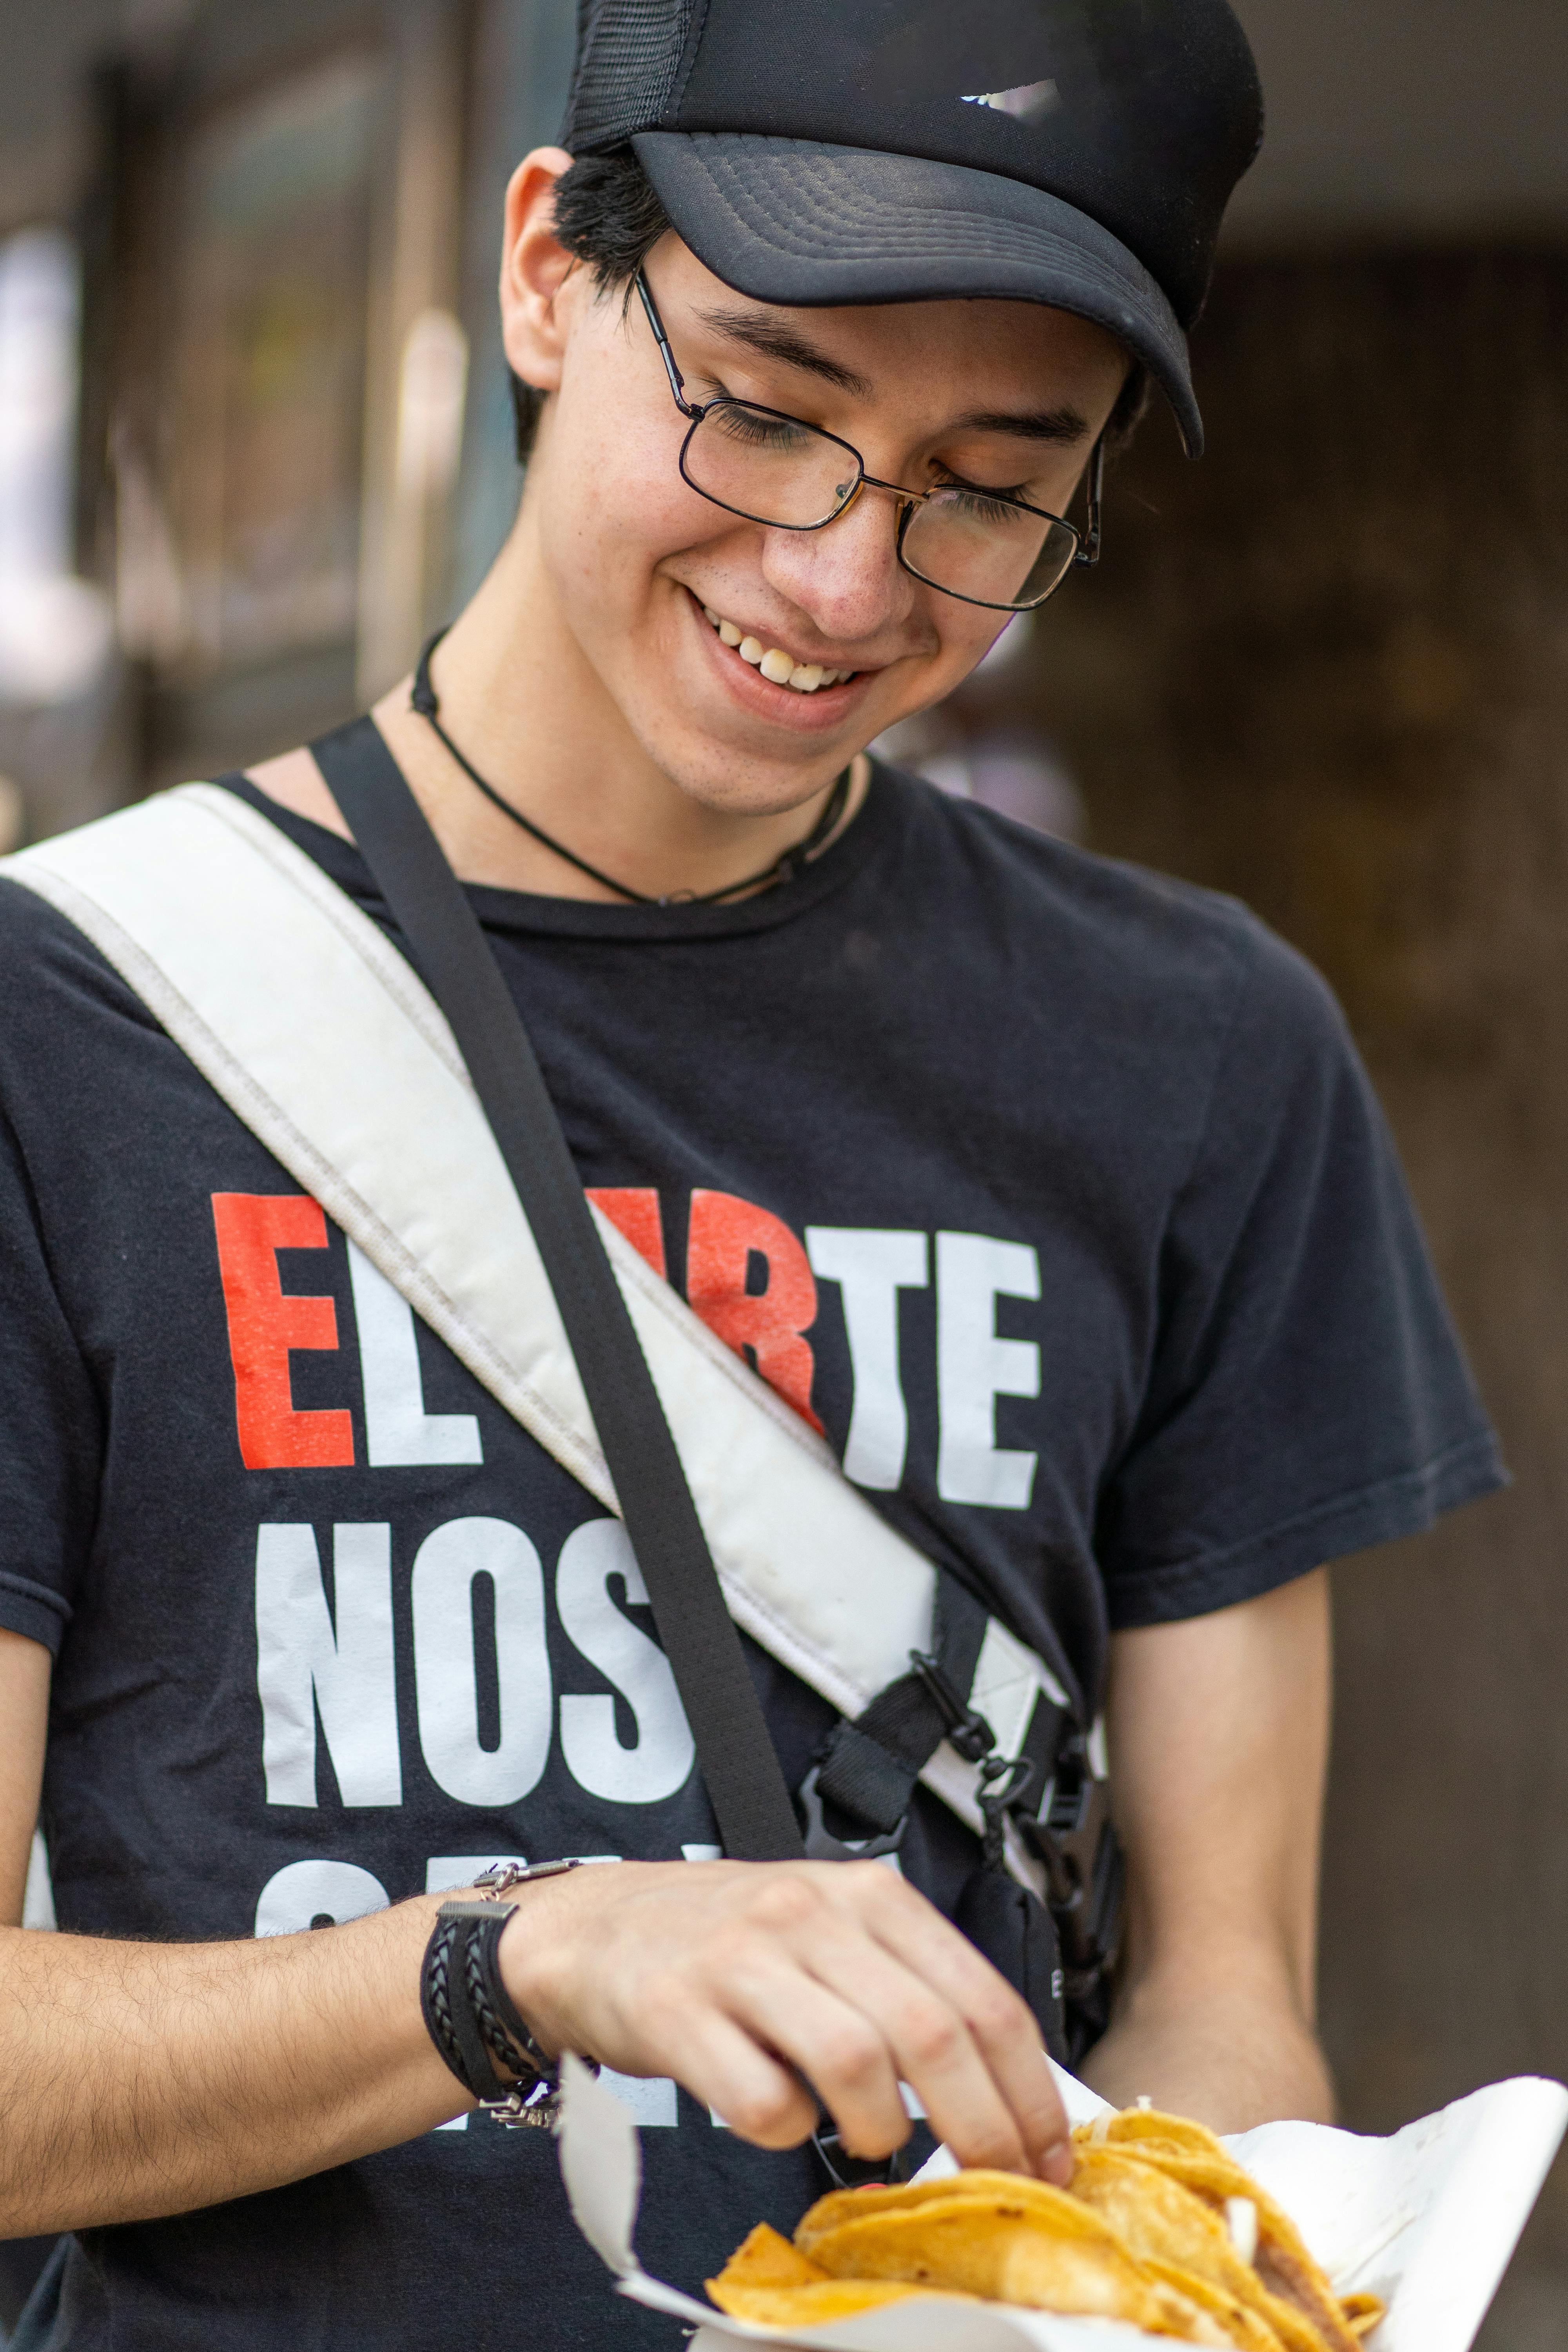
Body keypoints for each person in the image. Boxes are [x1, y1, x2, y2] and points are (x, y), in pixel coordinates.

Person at [0, 1, 1502, 2344]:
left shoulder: (1202, 1058)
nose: (838, 579)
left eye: (992, 487)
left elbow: (1224, 2006)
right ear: (542, 274)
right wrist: (521, 1964)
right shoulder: (61, 1019)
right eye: (764, 403)